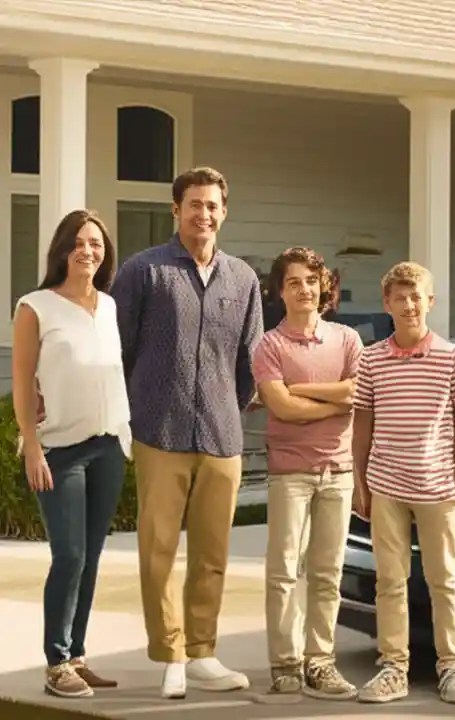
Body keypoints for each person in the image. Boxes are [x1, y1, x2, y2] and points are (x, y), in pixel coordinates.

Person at [111, 166, 263, 699]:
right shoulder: (143, 272)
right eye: (193, 204)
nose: (204, 213)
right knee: (157, 549)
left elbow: (250, 359)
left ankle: (203, 652)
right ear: (176, 210)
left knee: (213, 552)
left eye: (212, 205)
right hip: (158, 429)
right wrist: (129, 416)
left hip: (222, 434)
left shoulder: (243, 279)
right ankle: (170, 652)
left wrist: (231, 406)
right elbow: (118, 350)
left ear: (224, 211)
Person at [11, 210, 129, 699]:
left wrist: (127, 436)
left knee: (93, 557)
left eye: (96, 244)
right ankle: (56, 661)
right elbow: (21, 382)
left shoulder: (109, 305)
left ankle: (77, 656)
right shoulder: (35, 306)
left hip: (109, 447)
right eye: (78, 242)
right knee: (70, 555)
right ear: (62, 249)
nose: (88, 251)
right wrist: (31, 443)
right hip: (59, 449)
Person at [351, 261, 455, 705]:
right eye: (399, 297)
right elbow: (362, 422)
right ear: (387, 303)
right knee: (390, 580)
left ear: (430, 302)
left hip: (438, 486)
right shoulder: (371, 359)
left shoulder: (451, 358)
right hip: (386, 484)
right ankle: (393, 668)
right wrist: (360, 480)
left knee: (444, 580)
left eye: (416, 296)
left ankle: (453, 668)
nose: (409, 305)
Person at [250, 247, 362, 702]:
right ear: (281, 291)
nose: (304, 289)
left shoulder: (347, 340)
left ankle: (321, 662)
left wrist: (304, 391)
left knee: (327, 572)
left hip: (339, 470)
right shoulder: (269, 345)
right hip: (290, 473)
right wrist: (329, 403)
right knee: (283, 572)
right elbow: (280, 407)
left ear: (323, 287)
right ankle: (286, 664)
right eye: (294, 282)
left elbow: (359, 391)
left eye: (311, 281)